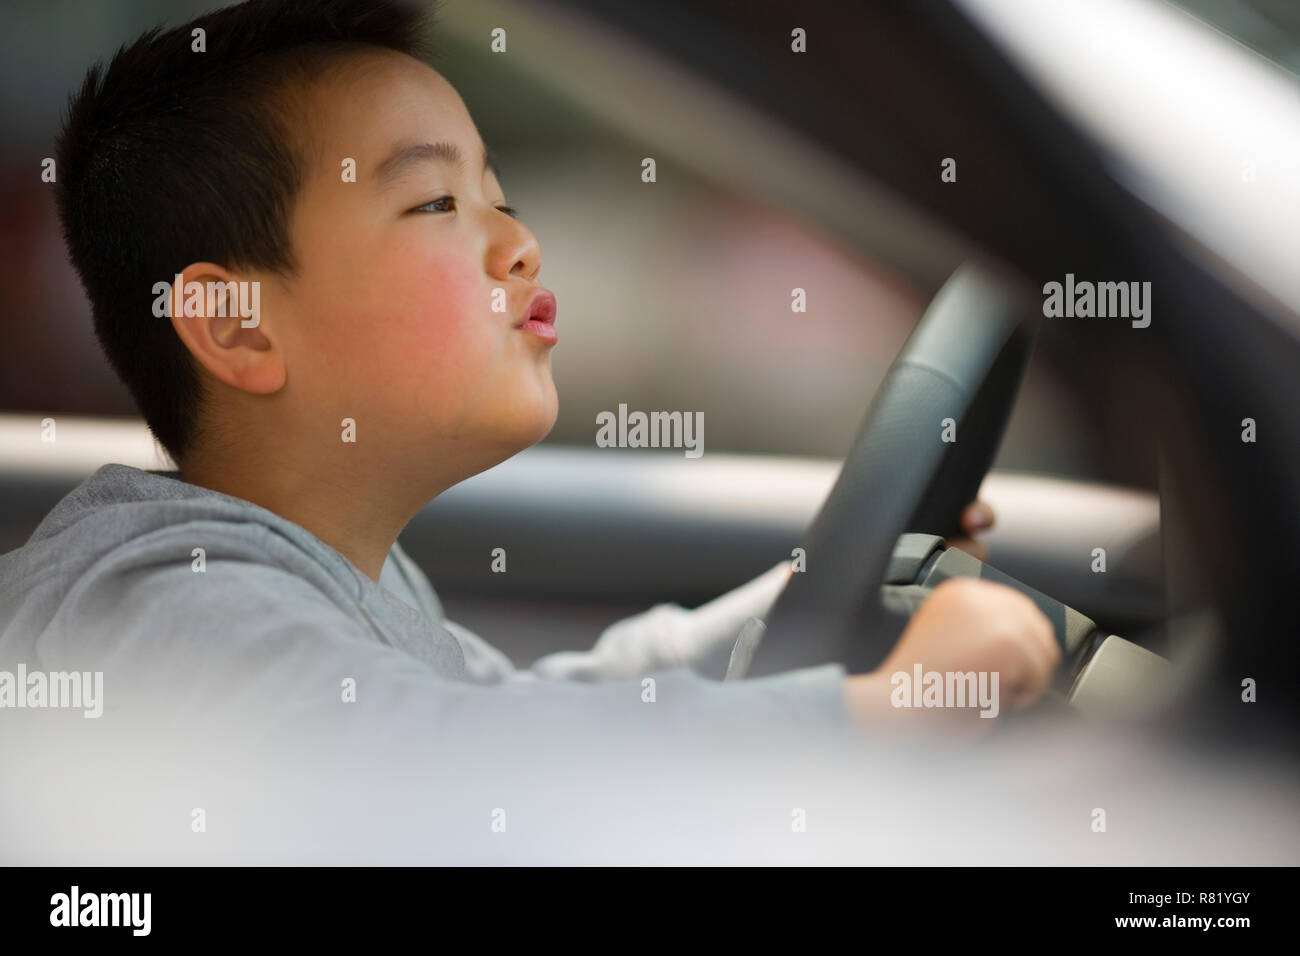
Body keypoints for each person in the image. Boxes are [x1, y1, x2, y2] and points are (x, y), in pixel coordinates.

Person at [0, 0, 1057, 768]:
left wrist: (796, 595)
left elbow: (529, 704)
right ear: (236, 325)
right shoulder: (164, 593)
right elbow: (454, 762)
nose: (518, 242)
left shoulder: (339, 577)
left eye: (498, 194)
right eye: (433, 205)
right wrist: (870, 711)